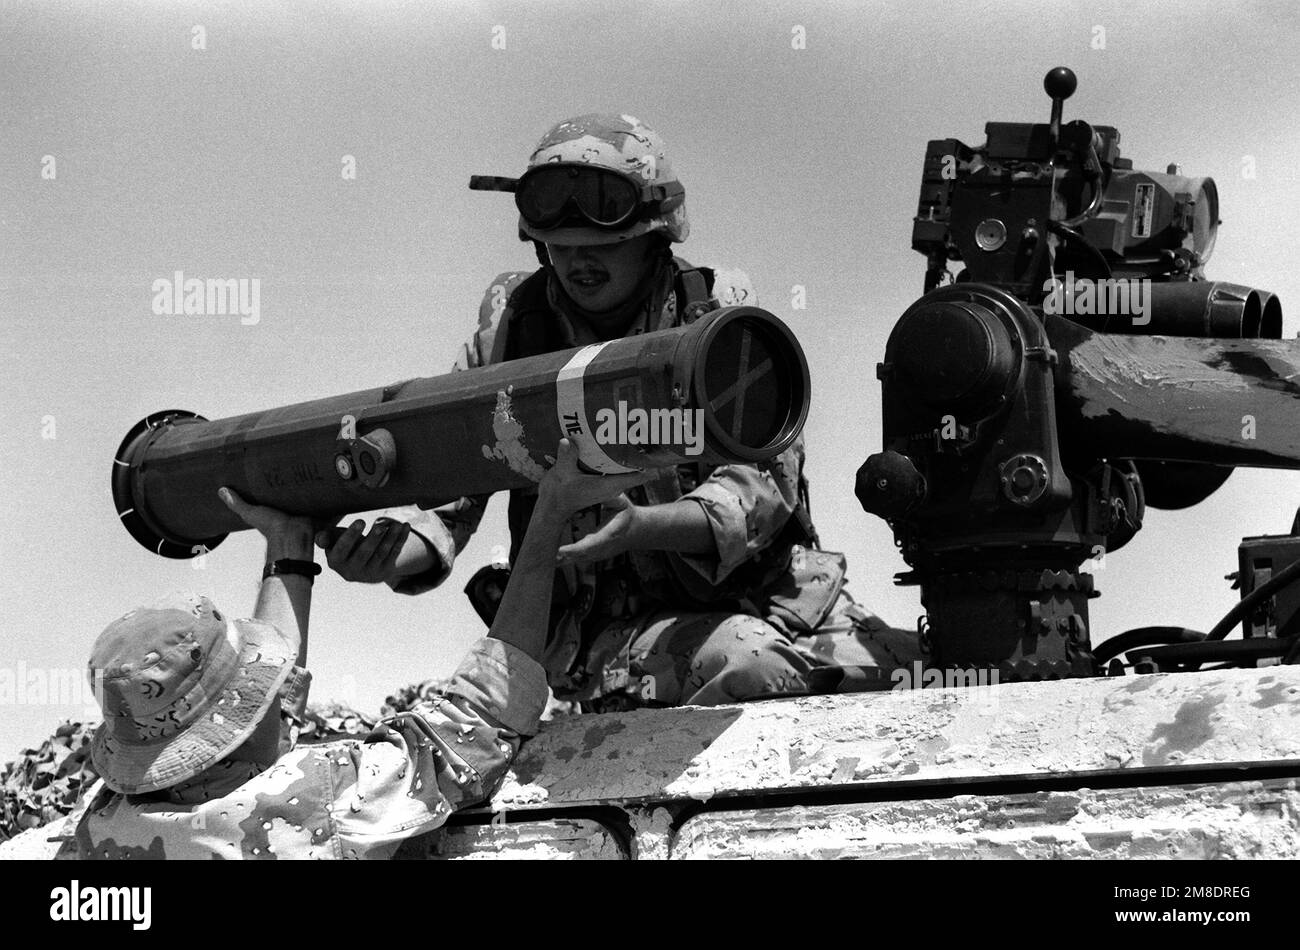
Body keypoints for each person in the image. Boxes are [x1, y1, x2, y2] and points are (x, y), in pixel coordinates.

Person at [321, 113, 920, 711]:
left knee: (948, 674)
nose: (578, 264)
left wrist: (640, 526)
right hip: (615, 630)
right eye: (559, 247)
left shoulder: (714, 316)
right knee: (752, 666)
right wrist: (389, 555)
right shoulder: (508, 337)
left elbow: (759, 486)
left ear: (654, 238)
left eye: (603, 247)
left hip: (782, 598)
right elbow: (449, 491)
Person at [56, 439, 647, 860]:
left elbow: (257, 726)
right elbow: (484, 712)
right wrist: (549, 516)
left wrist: (289, 546)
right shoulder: (319, 798)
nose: (274, 694)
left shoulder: (98, 826)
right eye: (253, 692)